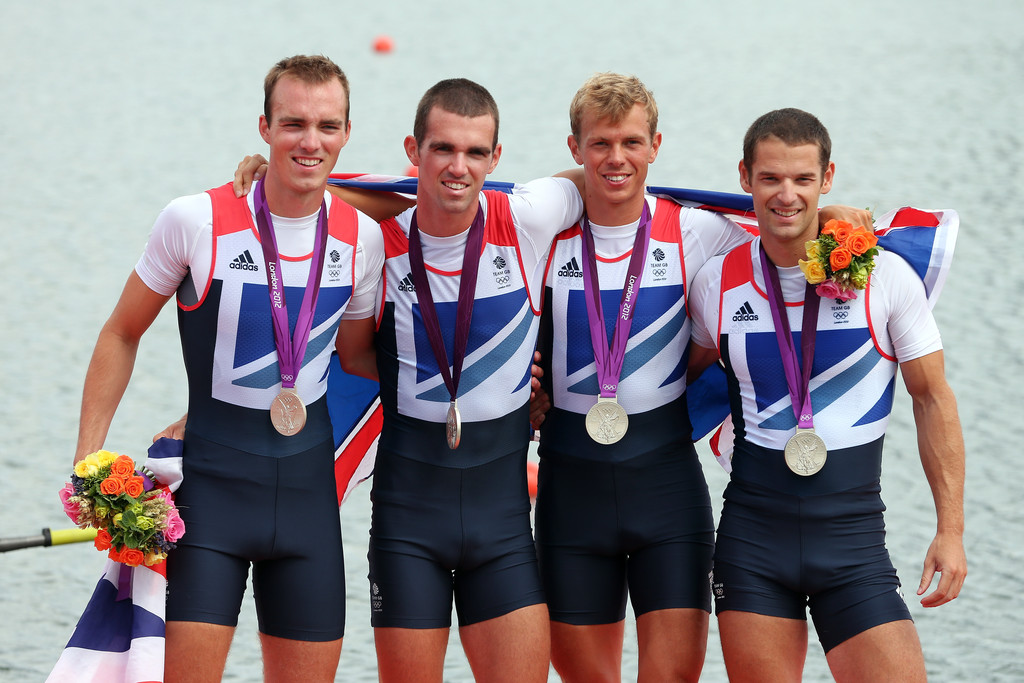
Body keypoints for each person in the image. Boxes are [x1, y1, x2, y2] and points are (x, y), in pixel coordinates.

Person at [530, 75, 871, 683]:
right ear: (575, 147)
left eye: (632, 141)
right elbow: (434, 220)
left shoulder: (697, 233)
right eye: (600, 143)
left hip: (667, 499)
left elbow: (786, 229)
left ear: (656, 146)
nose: (617, 158)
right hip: (568, 497)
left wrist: (839, 214)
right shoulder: (540, 238)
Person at [73, 55, 384, 682]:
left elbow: (359, 361)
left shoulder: (363, 239)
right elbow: (121, 331)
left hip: (308, 507)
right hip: (209, 503)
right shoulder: (195, 220)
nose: (310, 140)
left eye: (327, 126)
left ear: (347, 133)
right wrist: (88, 460)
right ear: (263, 127)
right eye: (293, 122)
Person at [685, 108, 966, 682]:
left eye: (802, 179)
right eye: (770, 178)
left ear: (827, 177)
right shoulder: (716, 282)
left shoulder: (882, 277)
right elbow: (676, 384)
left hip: (854, 546)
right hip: (751, 546)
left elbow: (932, 399)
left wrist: (951, 531)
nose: (786, 195)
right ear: (745, 179)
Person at [332, 78, 585, 683]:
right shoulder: (377, 246)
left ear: (496, 159)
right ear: (412, 151)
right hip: (407, 526)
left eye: (475, 153)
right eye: (442, 149)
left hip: (502, 531)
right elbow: (353, 355)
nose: (458, 166)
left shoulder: (526, 216)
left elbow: (598, 177)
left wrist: (833, 216)